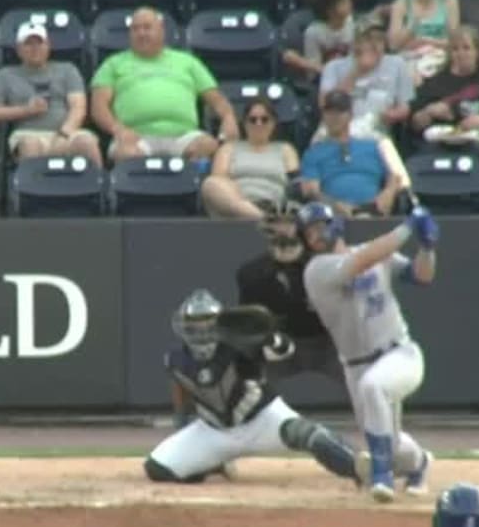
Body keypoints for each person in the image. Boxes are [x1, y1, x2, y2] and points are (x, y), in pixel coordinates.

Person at [143, 288, 361, 486]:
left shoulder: (239, 347)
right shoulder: (175, 359)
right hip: (213, 430)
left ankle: (361, 469)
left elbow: (286, 351)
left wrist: (270, 338)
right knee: (158, 467)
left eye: (207, 325)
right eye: (195, 326)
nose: (201, 332)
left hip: (263, 419)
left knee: (309, 436)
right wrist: (181, 421)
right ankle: (212, 463)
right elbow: (180, 388)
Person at [297, 200, 437, 502]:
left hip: (400, 353)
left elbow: (422, 276)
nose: (315, 236)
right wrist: (408, 227)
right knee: (394, 444)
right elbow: (362, 261)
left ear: (335, 224)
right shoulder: (315, 271)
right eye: (309, 233)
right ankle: (419, 463)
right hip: (355, 365)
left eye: (320, 227)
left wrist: (427, 247)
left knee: (374, 387)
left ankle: (381, 473)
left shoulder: (377, 253)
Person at [89, 7, 237, 164]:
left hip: (184, 136)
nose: (141, 33)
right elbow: (98, 107)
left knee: (208, 145)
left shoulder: (187, 62)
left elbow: (217, 99)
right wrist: (118, 130)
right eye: (135, 29)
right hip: (136, 136)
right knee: (125, 153)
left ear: (161, 31)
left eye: (147, 27)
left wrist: (228, 117)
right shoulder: (113, 64)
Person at [236, 206, 344, 386]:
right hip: (280, 344)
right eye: (276, 223)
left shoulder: (322, 265)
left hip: (327, 342)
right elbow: (249, 322)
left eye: (289, 223)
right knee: (257, 388)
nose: (283, 230)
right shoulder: (250, 273)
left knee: (357, 382)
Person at [0, 21, 102, 167]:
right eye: (28, 44)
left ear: (48, 46)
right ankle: (32, 189)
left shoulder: (67, 70)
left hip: (66, 132)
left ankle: (99, 187)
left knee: (86, 142)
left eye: (40, 43)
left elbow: (78, 107)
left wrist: (64, 133)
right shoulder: (5, 75)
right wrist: (26, 110)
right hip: (29, 134)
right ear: (19, 50)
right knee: (30, 146)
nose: (35, 48)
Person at [298, 90, 410, 218]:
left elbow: (395, 177)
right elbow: (311, 191)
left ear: (350, 115)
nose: (334, 117)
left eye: (340, 112)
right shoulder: (314, 152)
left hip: (373, 212)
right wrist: (335, 205)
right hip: (335, 217)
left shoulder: (373, 146)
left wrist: (387, 194)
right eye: (329, 112)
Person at [408, 26, 479, 149]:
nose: (461, 54)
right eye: (455, 49)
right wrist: (429, 112)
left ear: (477, 51)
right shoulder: (437, 80)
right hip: (442, 145)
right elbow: (415, 123)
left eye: (466, 48)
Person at [199, 98, 301, 220]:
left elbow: (295, 185)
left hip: (272, 205)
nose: (259, 124)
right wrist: (242, 203)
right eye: (253, 120)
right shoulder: (229, 148)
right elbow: (220, 180)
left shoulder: (285, 149)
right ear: (245, 123)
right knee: (210, 183)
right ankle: (262, 219)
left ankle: (262, 218)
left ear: (273, 123)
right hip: (234, 207)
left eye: (265, 119)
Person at [319, 27, 416, 139]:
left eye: (379, 40)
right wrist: (357, 71)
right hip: (336, 129)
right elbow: (325, 104)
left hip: (375, 132)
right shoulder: (334, 67)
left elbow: (404, 108)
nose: (374, 45)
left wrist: (388, 116)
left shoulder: (397, 64)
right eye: (368, 41)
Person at [387, 0, 462, 83]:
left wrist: (424, 41)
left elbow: (454, 42)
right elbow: (393, 45)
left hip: (442, 59)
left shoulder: (450, 2)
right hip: (409, 60)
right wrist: (413, 26)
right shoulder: (401, 4)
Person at [281, 0, 364, 82]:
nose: (350, 4)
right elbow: (313, 74)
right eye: (344, 1)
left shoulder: (356, 26)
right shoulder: (314, 32)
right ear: (329, 8)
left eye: (349, 0)